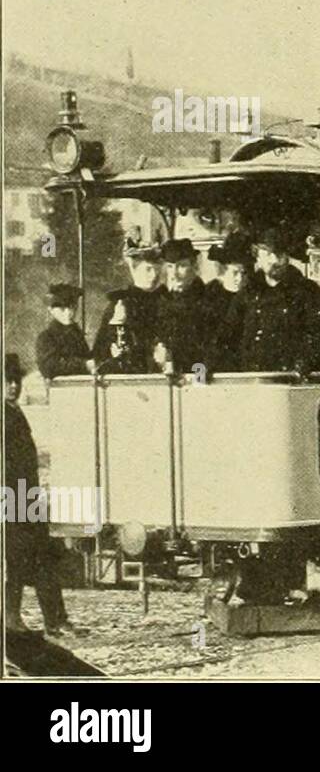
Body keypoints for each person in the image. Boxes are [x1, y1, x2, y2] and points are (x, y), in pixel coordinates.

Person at [4, 354, 84, 637]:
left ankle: (55, 620)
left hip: (27, 498)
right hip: (11, 501)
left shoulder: (14, 411)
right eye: (6, 381)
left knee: (43, 558)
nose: (13, 386)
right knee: (17, 560)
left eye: (15, 380)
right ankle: (12, 619)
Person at [239, 226, 320, 374]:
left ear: (287, 257)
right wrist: (205, 366)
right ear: (258, 257)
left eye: (279, 254)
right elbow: (227, 331)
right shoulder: (248, 292)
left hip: (290, 379)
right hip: (254, 379)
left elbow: (317, 333)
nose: (274, 260)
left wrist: (302, 364)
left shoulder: (306, 291)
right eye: (268, 254)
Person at [92, 240, 163, 374]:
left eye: (157, 269)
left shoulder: (164, 302)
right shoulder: (120, 303)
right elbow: (100, 351)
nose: (154, 275)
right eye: (148, 269)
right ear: (133, 270)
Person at [155, 237, 209, 375]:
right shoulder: (164, 299)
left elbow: (208, 350)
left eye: (181, 266)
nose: (174, 274)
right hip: (168, 379)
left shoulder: (207, 300)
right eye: (170, 266)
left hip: (198, 378)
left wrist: (198, 381)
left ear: (195, 266)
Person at [204, 233, 254, 372]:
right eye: (235, 272)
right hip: (213, 368)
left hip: (245, 367)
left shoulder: (252, 295)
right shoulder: (208, 295)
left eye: (244, 273)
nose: (240, 278)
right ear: (223, 271)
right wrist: (200, 377)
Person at [35, 283, 93, 380]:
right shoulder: (46, 337)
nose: (69, 312)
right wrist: (84, 365)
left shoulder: (77, 335)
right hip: (60, 390)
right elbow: (49, 367)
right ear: (51, 310)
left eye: (72, 307)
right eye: (62, 308)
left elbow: (87, 357)